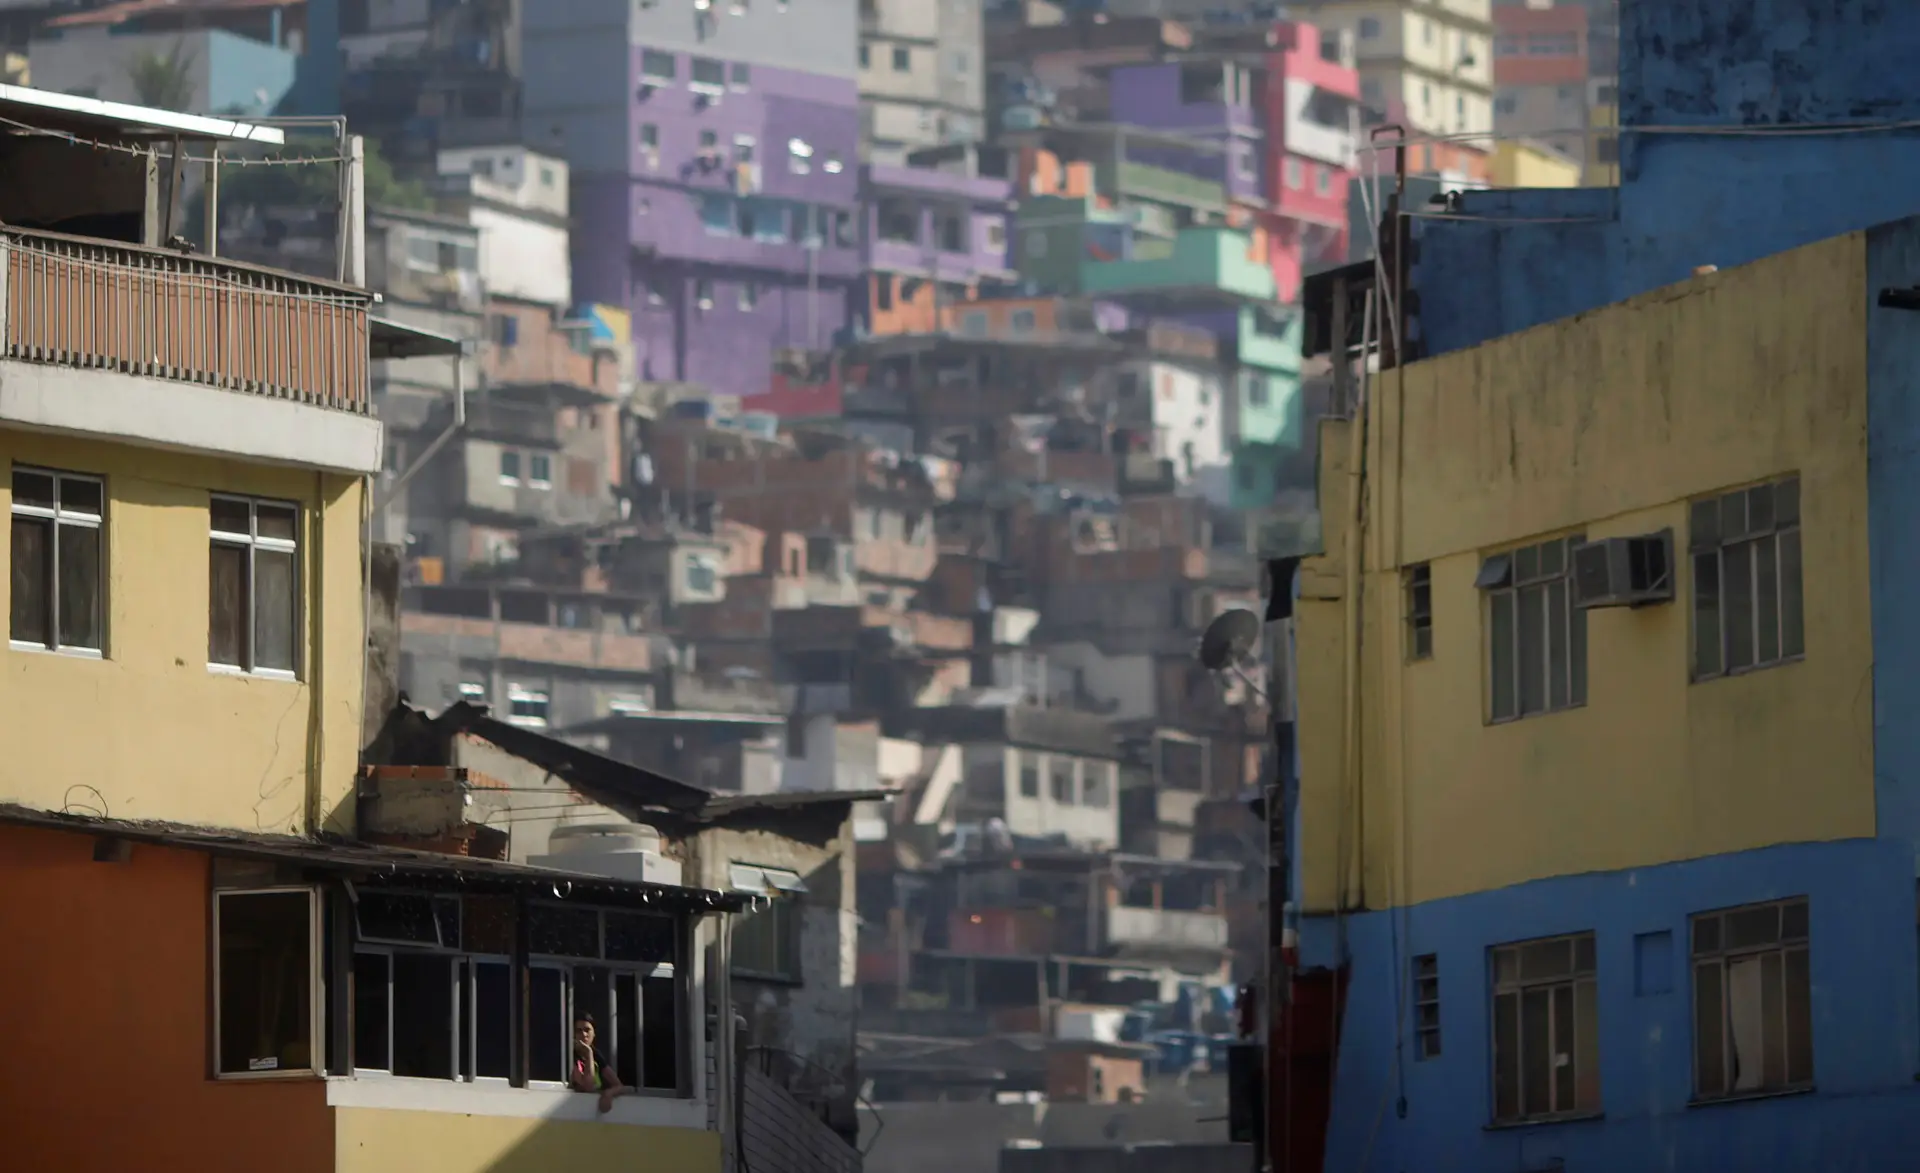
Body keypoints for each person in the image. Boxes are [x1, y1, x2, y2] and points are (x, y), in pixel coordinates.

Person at [570, 1014, 632, 1113]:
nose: (584, 1034)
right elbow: (587, 1087)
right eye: (579, 1031)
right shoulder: (569, 1055)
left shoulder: (597, 1056)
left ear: (594, 1033)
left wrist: (608, 1094)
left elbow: (619, 1086)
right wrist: (589, 1053)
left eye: (587, 1030)